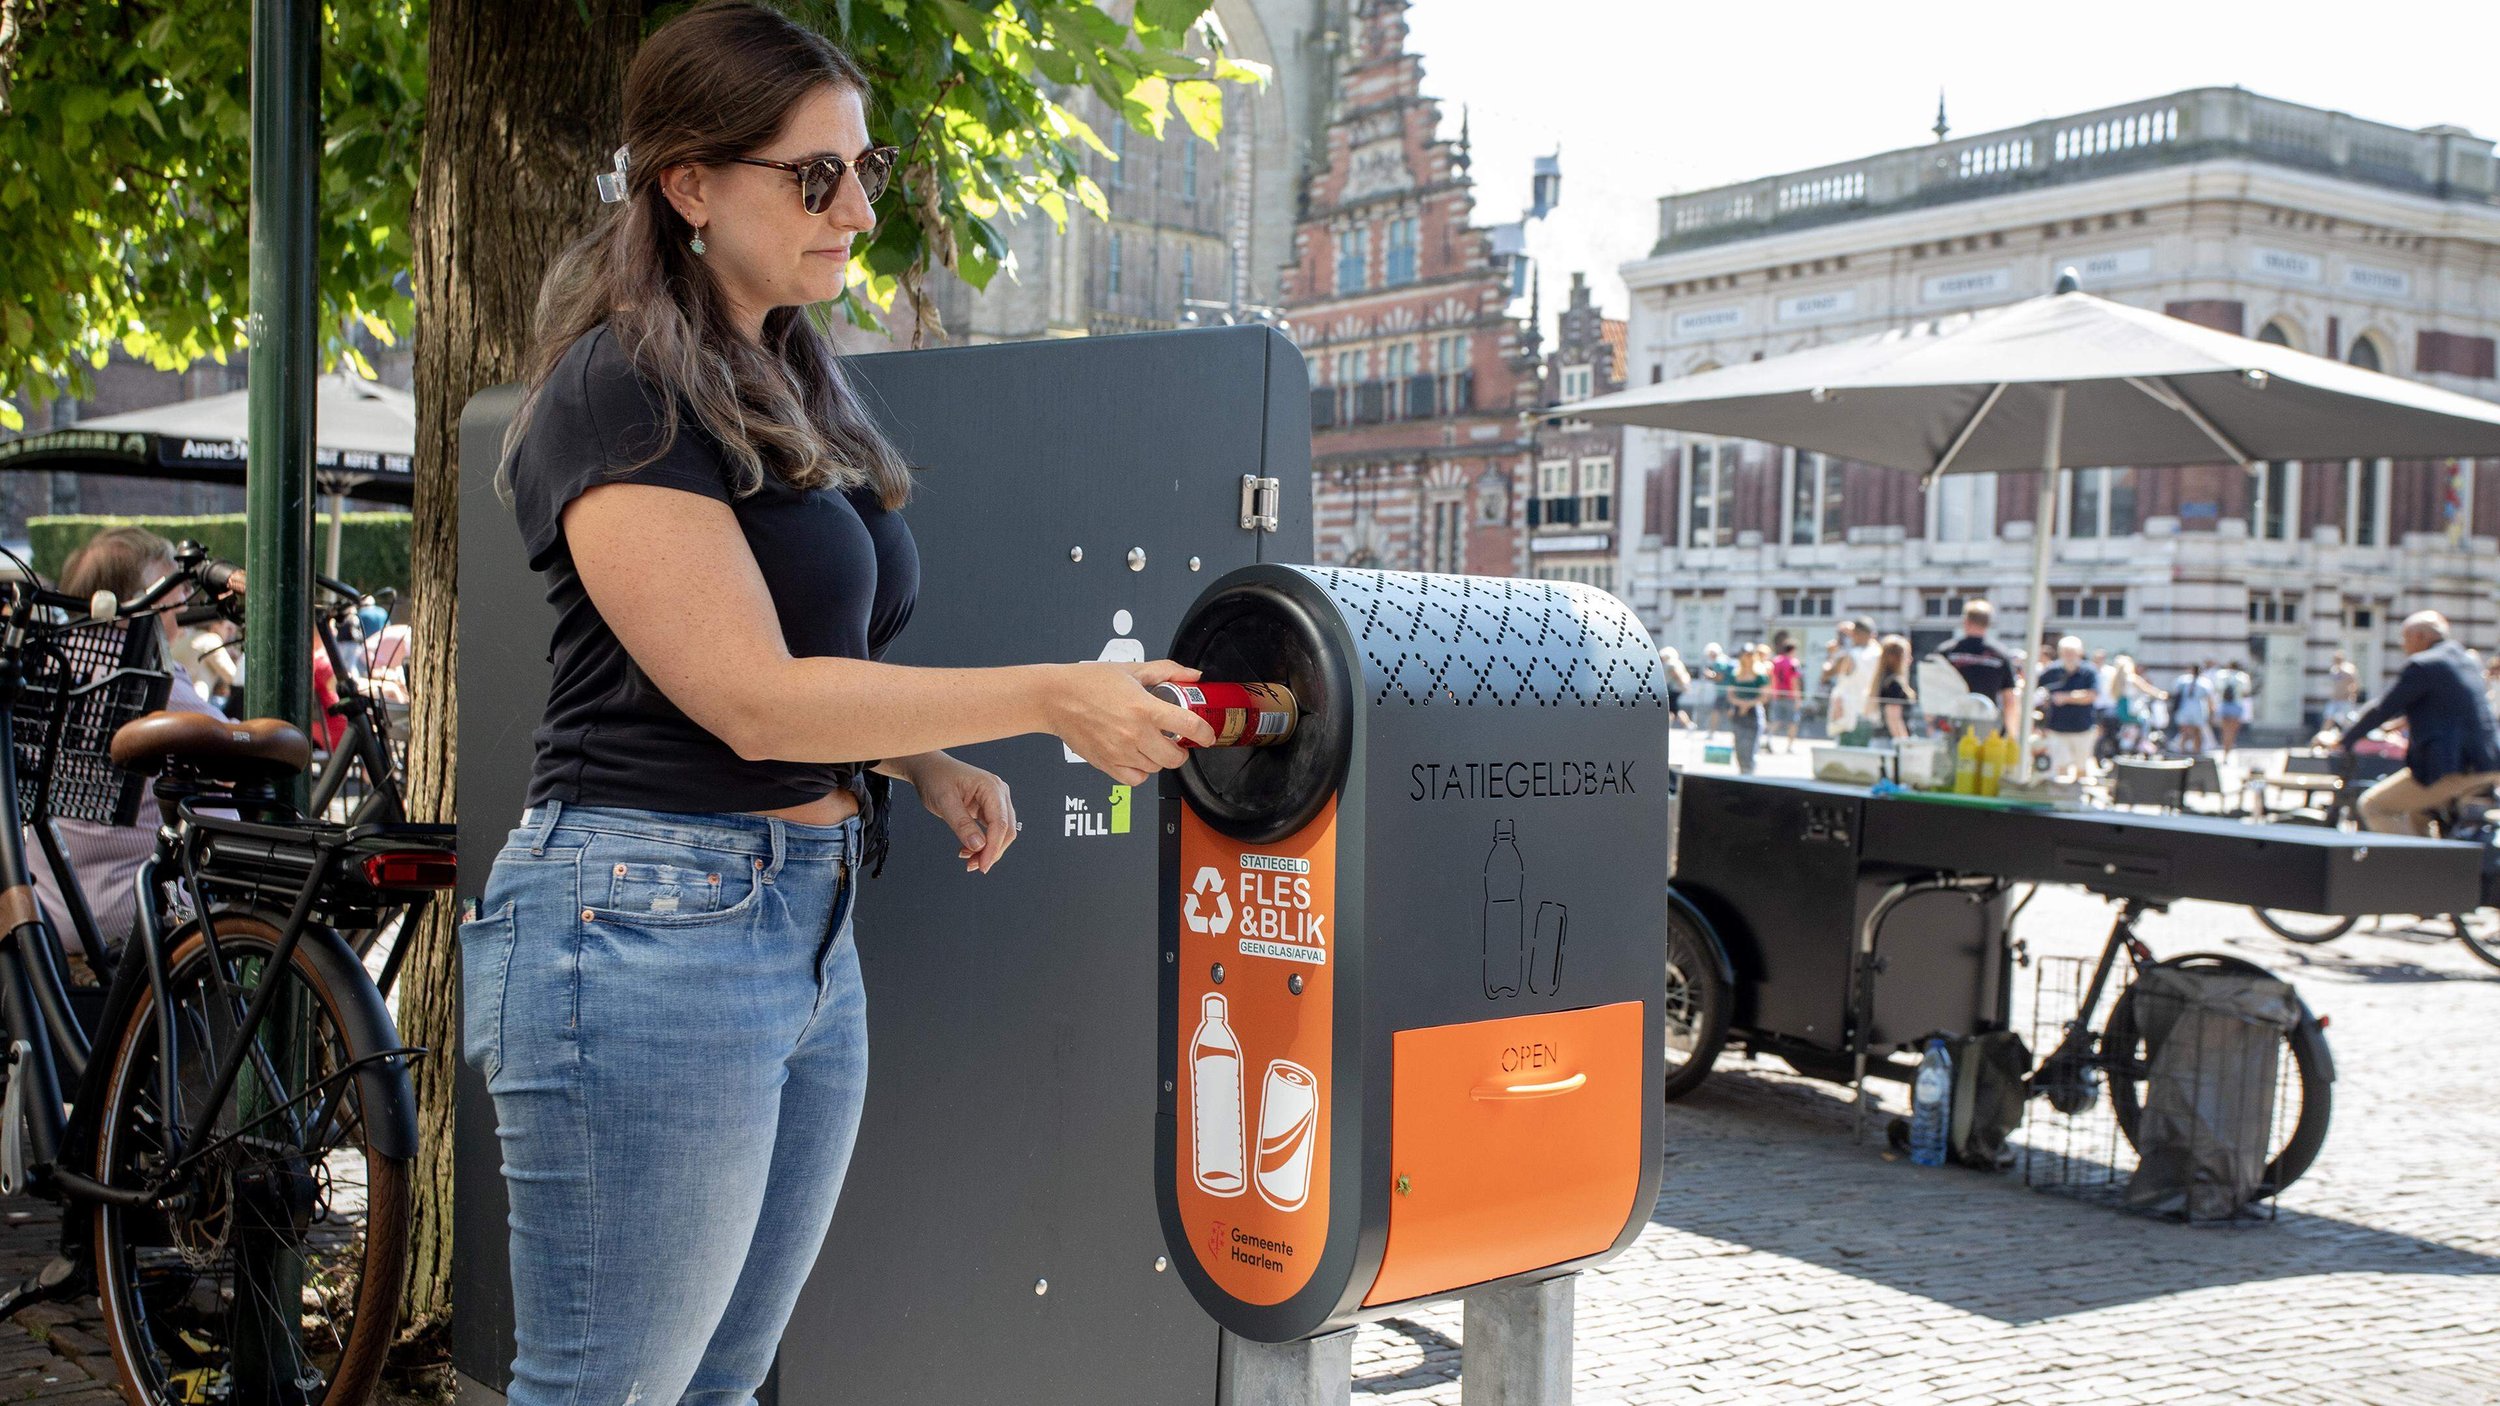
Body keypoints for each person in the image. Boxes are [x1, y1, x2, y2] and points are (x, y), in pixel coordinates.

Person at [465, 9, 1220, 1401]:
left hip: (798, 913)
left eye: (868, 170)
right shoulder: (619, 386)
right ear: (690, 184)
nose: (859, 209)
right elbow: (748, 698)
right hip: (643, 922)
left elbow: (784, 653)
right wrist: (1052, 700)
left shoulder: (778, 369)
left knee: (722, 1383)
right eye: (816, 176)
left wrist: (923, 758)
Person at [27, 528, 229, 976]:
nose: (175, 598)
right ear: (133, 601)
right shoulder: (147, 679)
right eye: (165, 587)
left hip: (53, 906)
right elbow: (229, 744)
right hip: (134, 911)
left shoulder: (52, 666)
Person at [2320, 611, 2500, 837]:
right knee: (2418, 813)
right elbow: (2449, 708)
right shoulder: (2464, 660)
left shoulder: (2423, 665)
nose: (2403, 645)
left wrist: (2344, 740)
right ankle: (2432, 865)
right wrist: (2396, 726)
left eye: (2405, 638)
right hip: (2487, 761)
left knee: (2374, 806)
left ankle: (2413, 869)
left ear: (2420, 636)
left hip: (2451, 766)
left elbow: (2383, 707)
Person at [1937, 600, 2019, 736]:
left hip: (1952, 724)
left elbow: (1934, 689)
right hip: (1987, 725)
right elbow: (2009, 699)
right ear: (1988, 624)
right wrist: (2012, 734)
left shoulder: (1947, 651)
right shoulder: (2000, 655)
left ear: (1966, 621)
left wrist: (1932, 723)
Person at [2034, 636, 2102, 782]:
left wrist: (2067, 698)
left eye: (2072, 652)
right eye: (2065, 652)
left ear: (2080, 653)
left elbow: (2092, 695)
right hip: (2057, 728)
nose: (2069, 656)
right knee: (2059, 769)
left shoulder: (2088, 671)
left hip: (2082, 728)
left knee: (2081, 770)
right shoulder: (2051, 671)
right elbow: (2037, 691)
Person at [1726, 644, 1769, 774]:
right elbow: (1730, 694)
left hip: (1754, 712)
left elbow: (1764, 696)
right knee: (1739, 744)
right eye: (1746, 655)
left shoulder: (1760, 675)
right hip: (1738, 712)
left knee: (1751, 745)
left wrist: (1748, 704)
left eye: (1750, 655)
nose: (1748, 658)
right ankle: (1742, 771)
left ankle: (1749, 771)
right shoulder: (1735, 674)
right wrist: (1740, 704)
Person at [1867, 634, 1917, 740]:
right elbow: (1894, 719)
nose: (1910, 659)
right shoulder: (1894, 684)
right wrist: (1904, 744)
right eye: (1907, 655)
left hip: (1879, 739)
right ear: (1898, 658)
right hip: (1891, 743)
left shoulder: (1881, 680)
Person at [2210, 659, 2255, 757]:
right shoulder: (2243, 677)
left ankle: (2225, 749)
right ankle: (2228, 750)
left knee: (2225, 730)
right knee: (2232, 731)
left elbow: (2217, 689)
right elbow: (2246, 692)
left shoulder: (2221, 675)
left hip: (2224, 705)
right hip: (2236, 705)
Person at [2169, 659, 2212, 755]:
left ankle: (2196, 751)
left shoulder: (2204, 682)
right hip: (2186, 707)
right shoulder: (2184, 680)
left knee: (2197, 731)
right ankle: (2182, 750)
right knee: (2184, 731)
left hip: (2197, 708)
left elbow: (2208, 697)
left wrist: (2211, 710)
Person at [1769, 638, 1803, 751]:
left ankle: (1768, 739)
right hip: (1790, 696)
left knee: (1776, 720)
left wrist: (1773, 692)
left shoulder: (1776, 661)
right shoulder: (1793, 663)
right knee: (1793, 722)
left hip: (1777, 695)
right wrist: (1798, 698)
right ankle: (1789, 746)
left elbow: (1772, 678)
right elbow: (1794, 682)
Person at [1659, 645, 1692, 728]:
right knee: (1672, 709)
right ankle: (1669, 726)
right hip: (1678, 688)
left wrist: (1683, 685)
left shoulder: (1670, 664)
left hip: (1673, 689)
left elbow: (1677, 676)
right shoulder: (1678, 662)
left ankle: (1688, 725)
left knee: (1673, 709)